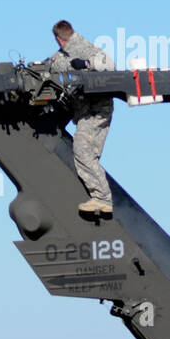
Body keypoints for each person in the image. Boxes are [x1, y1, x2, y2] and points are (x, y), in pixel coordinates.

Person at [49, 19, 115, 215]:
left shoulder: (83, 48)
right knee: (85, 153)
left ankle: (102, 198)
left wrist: (86, 64)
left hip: (95, 112)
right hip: (84, 111)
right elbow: (57, 64)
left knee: (83, 149)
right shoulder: (64, 53)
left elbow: (109, 64)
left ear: (59, 39)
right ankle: (99, 196)